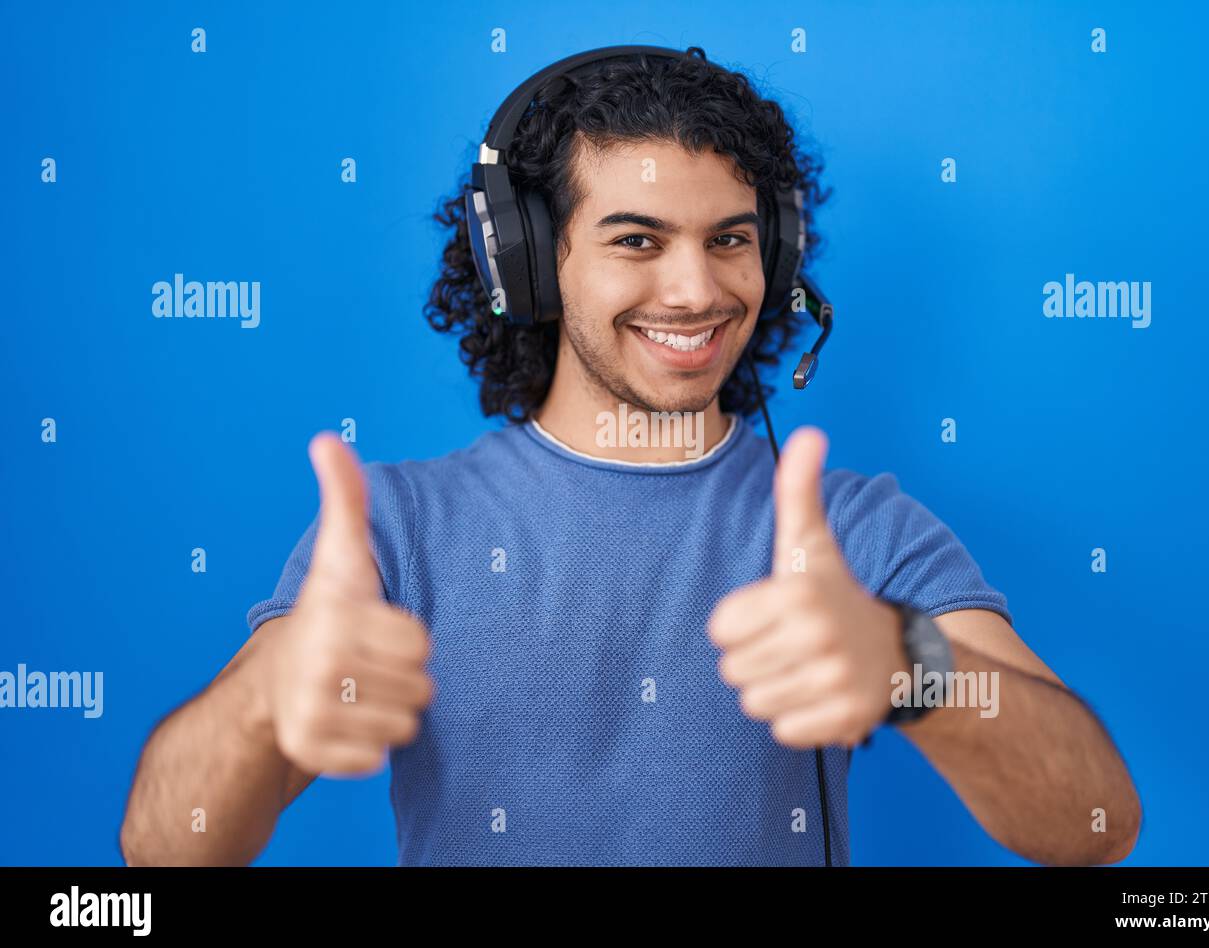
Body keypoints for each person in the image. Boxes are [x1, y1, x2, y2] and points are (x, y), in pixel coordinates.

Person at [120, 47, 1141, 867]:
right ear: (527, 263)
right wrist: (266, 697)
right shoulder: (393, 528)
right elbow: (161, 852)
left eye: (731, 240)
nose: (696, 290)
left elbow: (1095, 822)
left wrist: (906, 662)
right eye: (637, 241)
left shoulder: (856, 527)